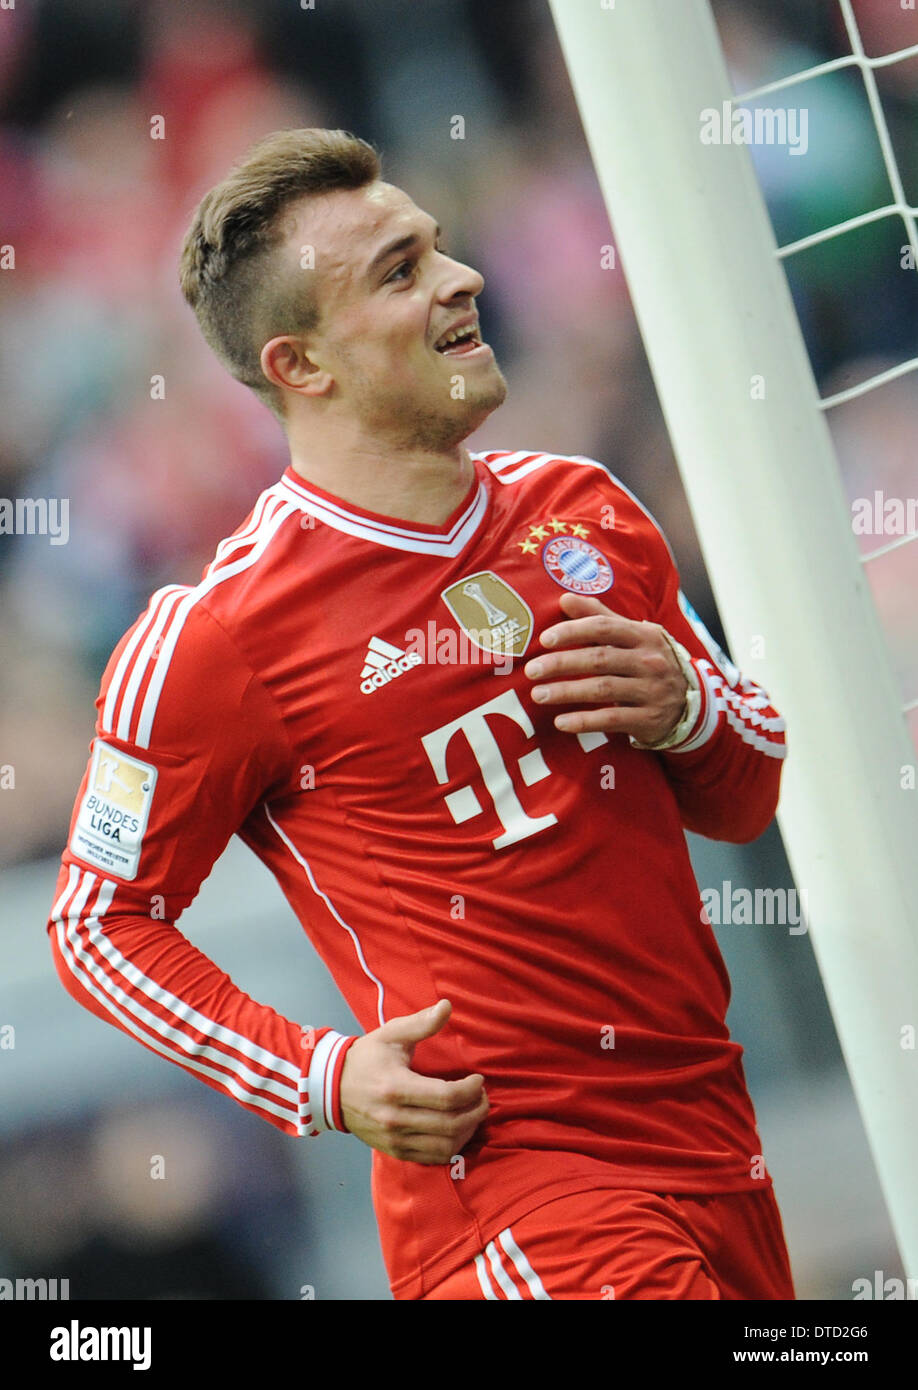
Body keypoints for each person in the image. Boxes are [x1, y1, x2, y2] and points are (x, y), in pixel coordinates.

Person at [48, 127, 793, 1301]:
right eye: (400, 271)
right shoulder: (216, 637)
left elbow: (748, 795)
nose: (463, 279)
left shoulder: (584, 510)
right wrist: (320, 1076)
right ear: (302, 365)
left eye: (437, 248)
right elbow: (98, 925)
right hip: (520, 1201)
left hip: (717, 1145)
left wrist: (688, 706)